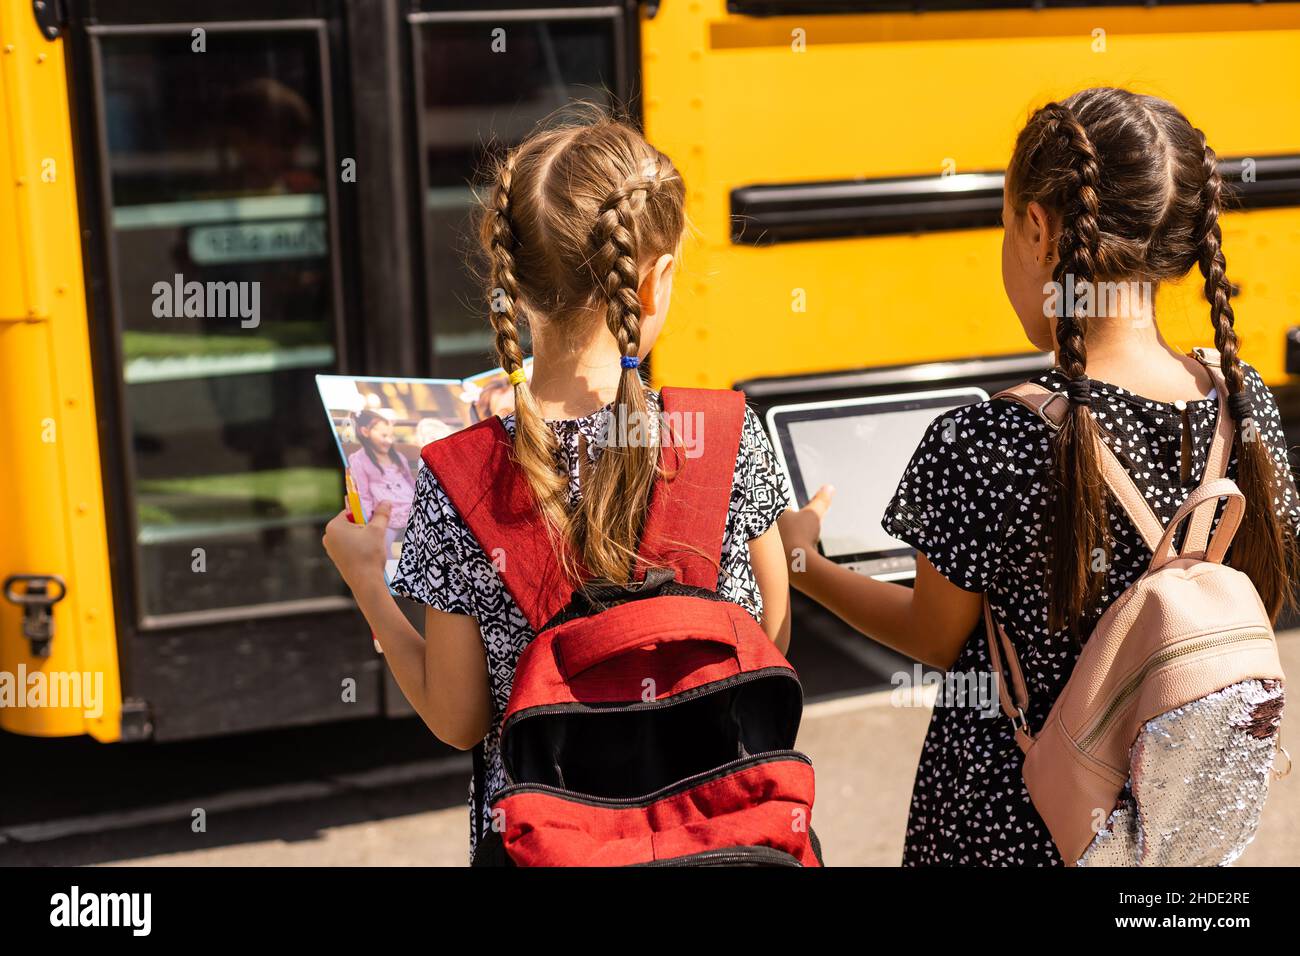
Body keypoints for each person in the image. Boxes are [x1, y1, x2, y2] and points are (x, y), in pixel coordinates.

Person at [779, 87, 1300, 866]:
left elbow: (931, 633)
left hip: (1009, 823)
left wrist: (805, 566)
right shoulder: (1242, 403)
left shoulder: (990, 436)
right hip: (1166, 836)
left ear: (1035, 226)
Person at [321, 114, 793, 860]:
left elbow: (459, 717)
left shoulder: (460, 476)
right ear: (654, 279)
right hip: (715, 841)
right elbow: (767, 637)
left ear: (510, 277)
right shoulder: (728, 435)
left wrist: (367, 584)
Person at [347, 409, 415, 559]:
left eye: (391, 436)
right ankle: (391, 577)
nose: (389, 440)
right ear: (365, 432)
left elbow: (411, 482)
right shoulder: (359, 460)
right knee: (381, 547)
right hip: (387, 515)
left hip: (410, 508)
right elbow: (363, 494)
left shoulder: (398, 457)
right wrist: (367, 521)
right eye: (384, 436)